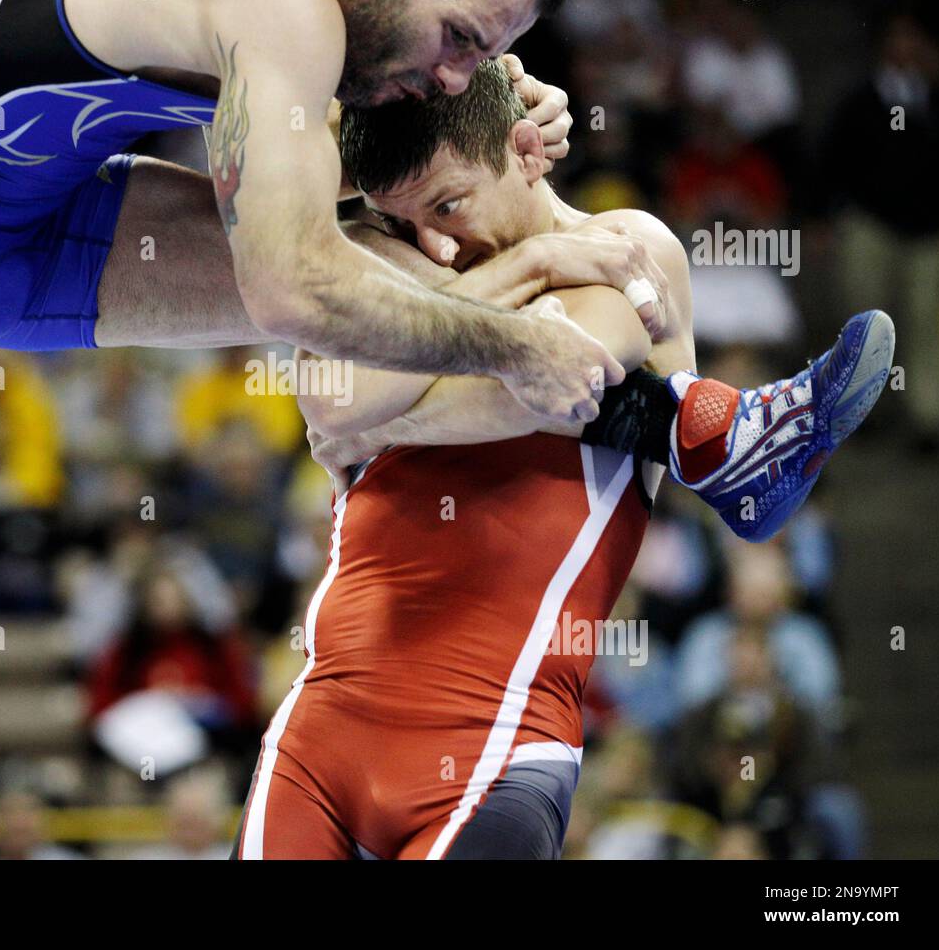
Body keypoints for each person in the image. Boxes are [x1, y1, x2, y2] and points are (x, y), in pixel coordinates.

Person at [0, 0, 668, 830]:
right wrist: (519, 335)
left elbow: (350, 168)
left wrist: (493, 113)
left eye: (485, 54)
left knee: (406, 251)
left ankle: (691, 427)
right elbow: (290, 289)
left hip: (64, 209)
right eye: (462, 39)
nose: (455, 73)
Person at [232, 60, 893, 858]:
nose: (436, 242)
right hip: (317, 738)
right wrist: (531, 272)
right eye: (402, 224)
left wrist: (386, 413)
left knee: (568, 380)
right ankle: (708, 436)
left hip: (496, 749)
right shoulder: (397, 238)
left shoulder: (622, 245)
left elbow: (579, 361)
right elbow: (331, 395)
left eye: (448, 205)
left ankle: (702, 434)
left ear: (524, 150)